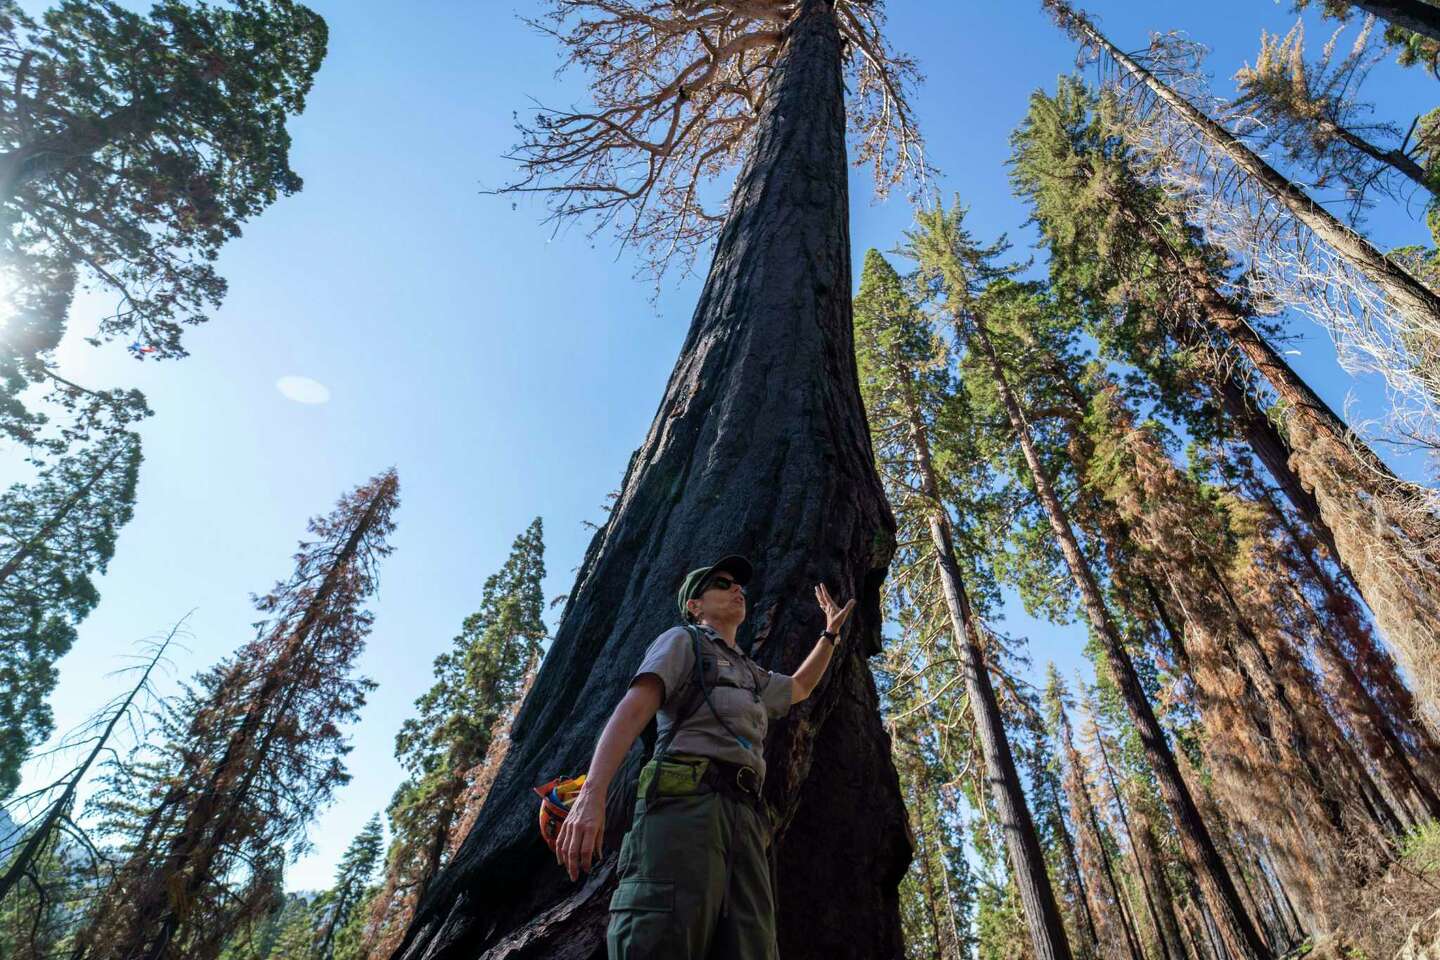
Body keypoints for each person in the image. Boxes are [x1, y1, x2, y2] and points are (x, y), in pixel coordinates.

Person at [553, 554, 855, 960]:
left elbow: (799, 688)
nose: (737, 589)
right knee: (660, 936)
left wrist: (829, 635)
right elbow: (633, 710)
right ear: (694, 605)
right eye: (722, 584)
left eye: (738, 584)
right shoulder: (682, 641)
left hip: (747, 820)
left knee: (752, 946)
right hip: (685, 807)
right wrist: (593, 795)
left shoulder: (750, 673)